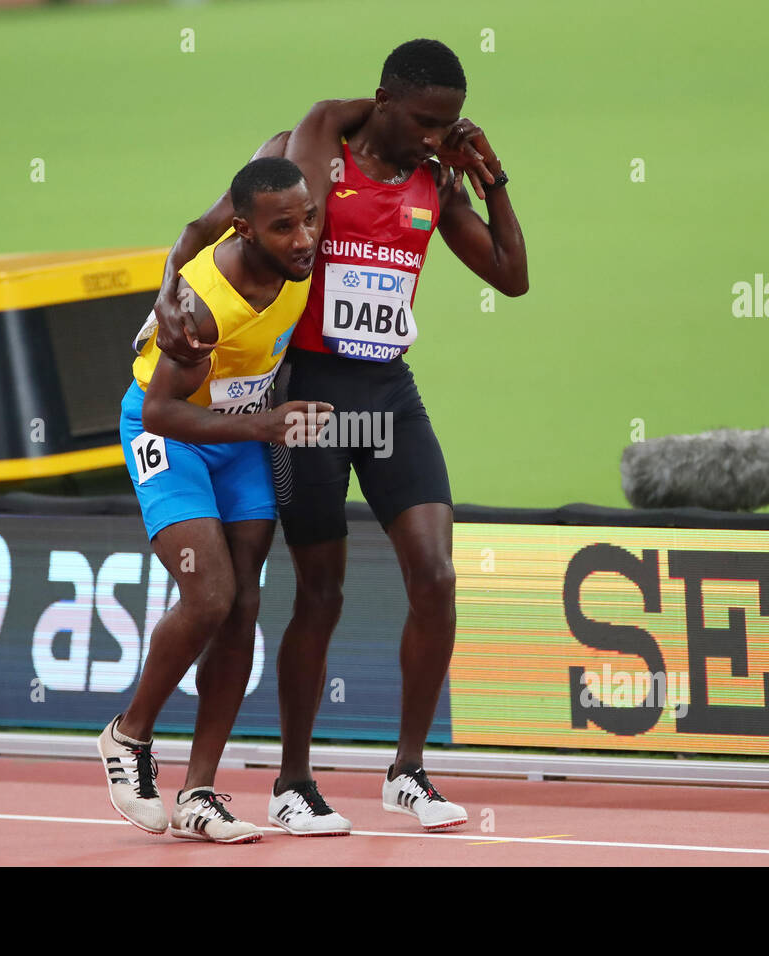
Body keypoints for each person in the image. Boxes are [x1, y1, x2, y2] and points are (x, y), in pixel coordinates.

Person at [150, 39, 528, 834]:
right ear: (385, 99)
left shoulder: (435, 182)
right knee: (321, 592)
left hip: (388, 393)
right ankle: (293, 781)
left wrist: (490, 178)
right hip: (310, 395)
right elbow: (322, 114)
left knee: (436, 575)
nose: (437, 136)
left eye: (449, 123)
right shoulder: (324, 157)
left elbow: (509, 273)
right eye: (425, 119)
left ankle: (409, 772)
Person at [98, 156, 331, 844]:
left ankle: (200, 792)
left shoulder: (297, 263)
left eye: (308, 219)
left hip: (238, 439)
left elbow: (312, 122)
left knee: (245, 603)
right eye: (282, 226)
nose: (302, 238)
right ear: (244, 231)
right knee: (209, 594)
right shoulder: (202, 303)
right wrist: (266, 425)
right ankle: (127, 736)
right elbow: (165, 411)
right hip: (171, 434)